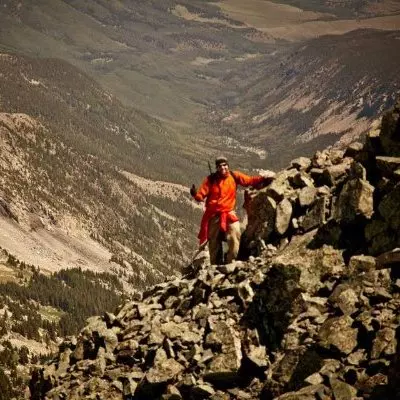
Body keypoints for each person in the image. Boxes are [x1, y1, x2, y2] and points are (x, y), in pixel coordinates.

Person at [190, 156, 272, 265]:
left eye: (224, 165)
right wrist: (195, 194)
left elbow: (249, 181)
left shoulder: (234, 176)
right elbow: (201, 195)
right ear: (217, 168)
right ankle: (216, 267)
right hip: (213, 215)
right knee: (214, 244)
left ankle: (231, 263)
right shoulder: (211, 179)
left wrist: (263, 179)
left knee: (235, 236)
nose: (223, 168)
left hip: (228, 213)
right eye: (220, 166)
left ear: (228, 166)